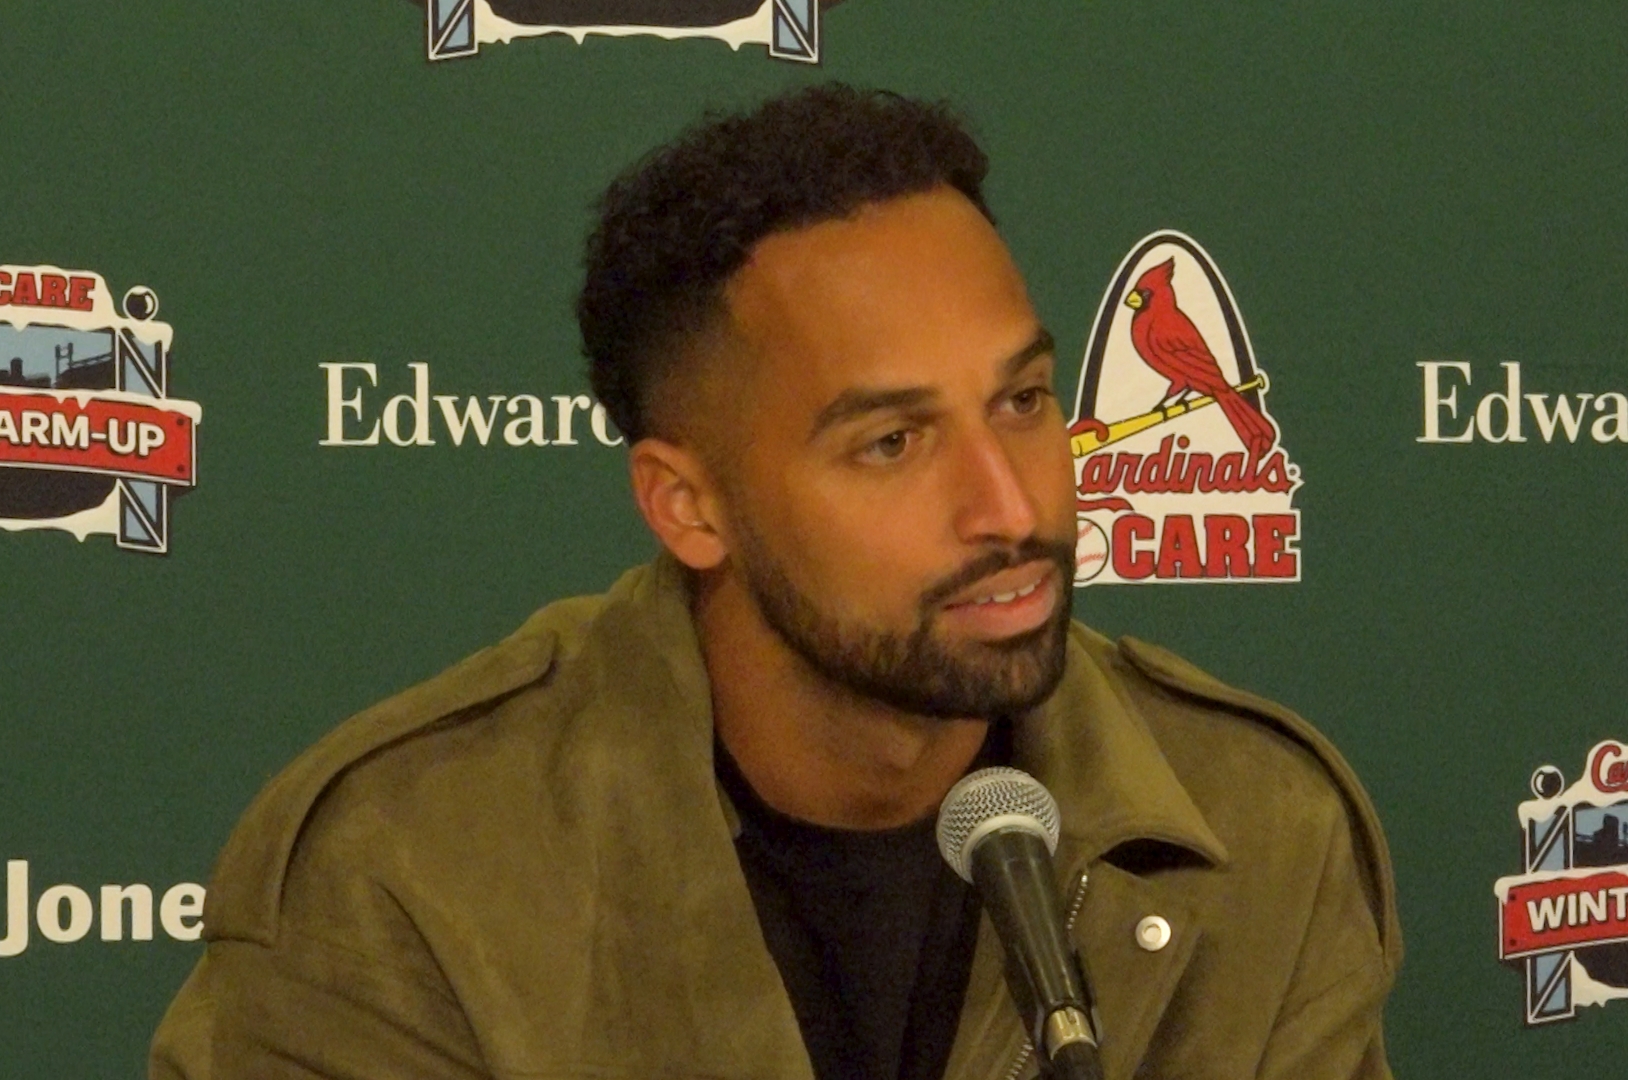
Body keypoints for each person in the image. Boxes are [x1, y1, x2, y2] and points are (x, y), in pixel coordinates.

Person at [150, 84, 1400, 1080]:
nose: (1012, 508)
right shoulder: (407, 878)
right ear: (688, 506)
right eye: (892, 444)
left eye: (1021, 401)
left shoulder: (1260, 835)